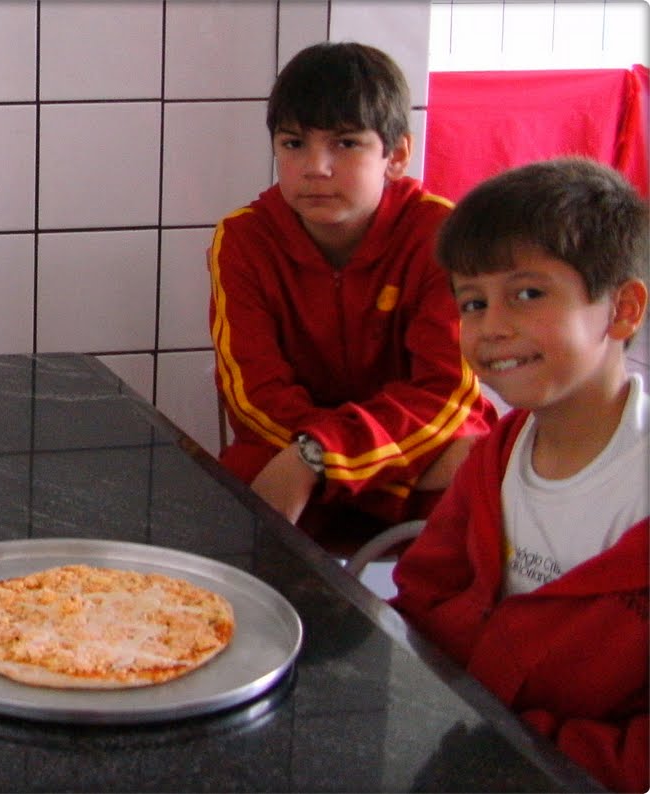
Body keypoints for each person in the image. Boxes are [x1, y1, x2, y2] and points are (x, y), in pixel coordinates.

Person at [391, 157, 647, 793]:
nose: (492, 326)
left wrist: (514, 736)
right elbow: (422, 603)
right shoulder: (497, 456)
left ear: (621, 309)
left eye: (528, 293)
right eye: (472, 302)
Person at [207, 41, 497, 541]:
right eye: (293, 144)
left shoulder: (443, 235)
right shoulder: (244, 238)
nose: (315, 168)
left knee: (474, 463)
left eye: (345, 144)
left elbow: (444, 393)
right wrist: (317, 454)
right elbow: (252, 397)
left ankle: (437, 617)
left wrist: (318, 457)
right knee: (234, 486)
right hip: (306, 447)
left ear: (397, 154)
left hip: (407, 442)